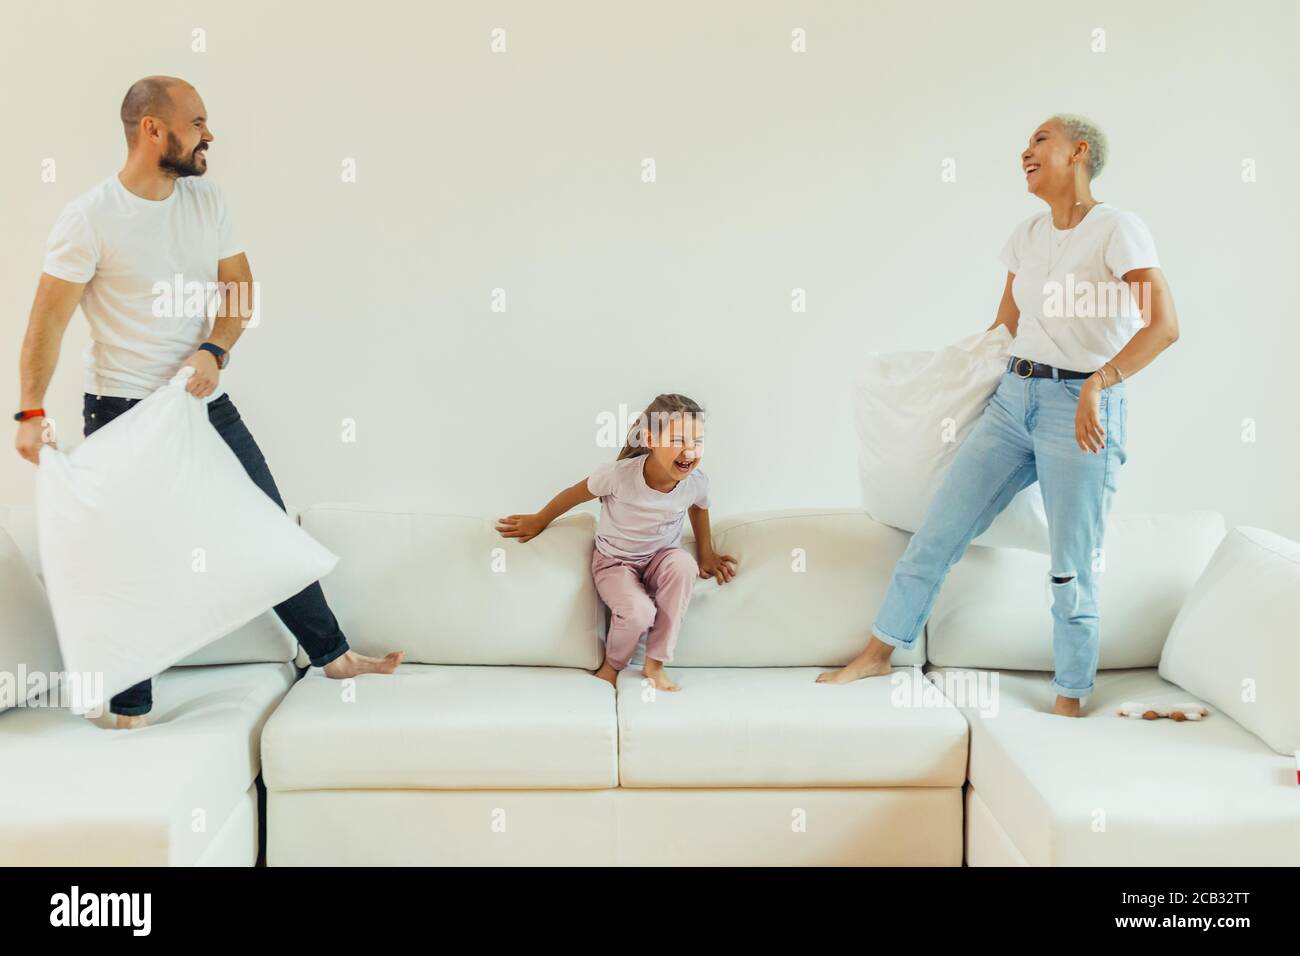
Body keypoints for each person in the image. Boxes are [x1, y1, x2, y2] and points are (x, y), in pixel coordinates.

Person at [14, 76, 404, 728]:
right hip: (121, 412)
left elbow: (239, 290)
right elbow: (46, 321)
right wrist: (29, 412)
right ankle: (130, 707)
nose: (210, 135)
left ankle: (330, 655)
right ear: (153, 130)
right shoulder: (89, 217)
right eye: (197, 122)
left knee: (264, 523)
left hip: (197, 403)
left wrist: (213, 351)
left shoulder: (207, 201)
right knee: (132, 558)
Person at [819, 114, 1180, 717]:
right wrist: (934, 377)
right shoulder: (1027, 235)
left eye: (1041, 140)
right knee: (938, 532)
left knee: (1071, 564)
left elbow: (1164, 326)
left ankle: (1071, 694)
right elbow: (1005, 328)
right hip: (1013, 400)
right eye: (1026, 142)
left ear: (1079, 152)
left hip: (1083, 410)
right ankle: (878, 651)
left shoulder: (1118, 230)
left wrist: (1100, 380)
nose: (1026, 151)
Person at [496, 393, 737, 691]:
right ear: (650, 438)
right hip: (615, 563)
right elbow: (574, 493)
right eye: (677, 441)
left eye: (697, 441)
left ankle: (655, 662)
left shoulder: (695, 481)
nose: (689, 451)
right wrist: (539, 519)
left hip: (661, 559)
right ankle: (612, 665)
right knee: (640, 612)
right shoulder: (618, 476)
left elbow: (699, 507)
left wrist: (706, 553)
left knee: (683, 565)